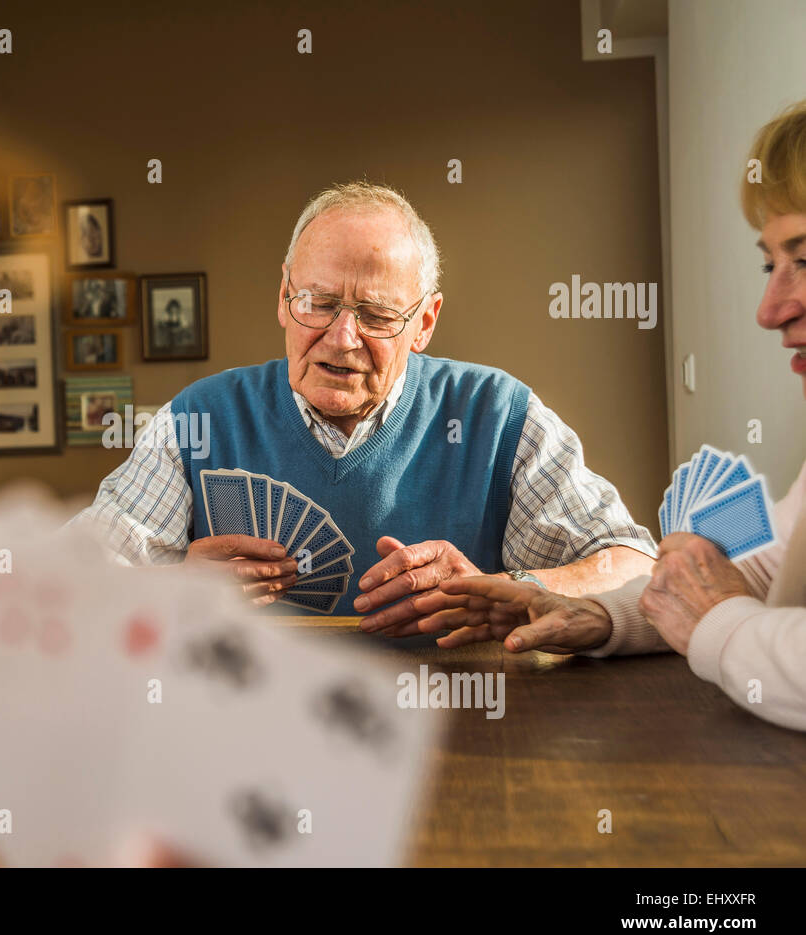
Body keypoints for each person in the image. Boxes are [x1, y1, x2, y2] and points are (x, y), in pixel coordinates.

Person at [74, 181, 657, 621]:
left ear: (425, 321)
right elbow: (65, 583)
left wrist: (510, 588)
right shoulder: (196, 420)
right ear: (283, 296)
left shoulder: (500, 415)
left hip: (460, 733)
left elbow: (635, 567)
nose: (342, 338)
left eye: (377, 315)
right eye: (318, 303)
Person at [415, 100, 806, 732]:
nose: (769, 308)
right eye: (770, 263)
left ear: (424, 321)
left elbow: (690, 584)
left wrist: (720, 624)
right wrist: (593, 616)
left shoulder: (499, 408)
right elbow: (756, 571)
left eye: (804, 260)